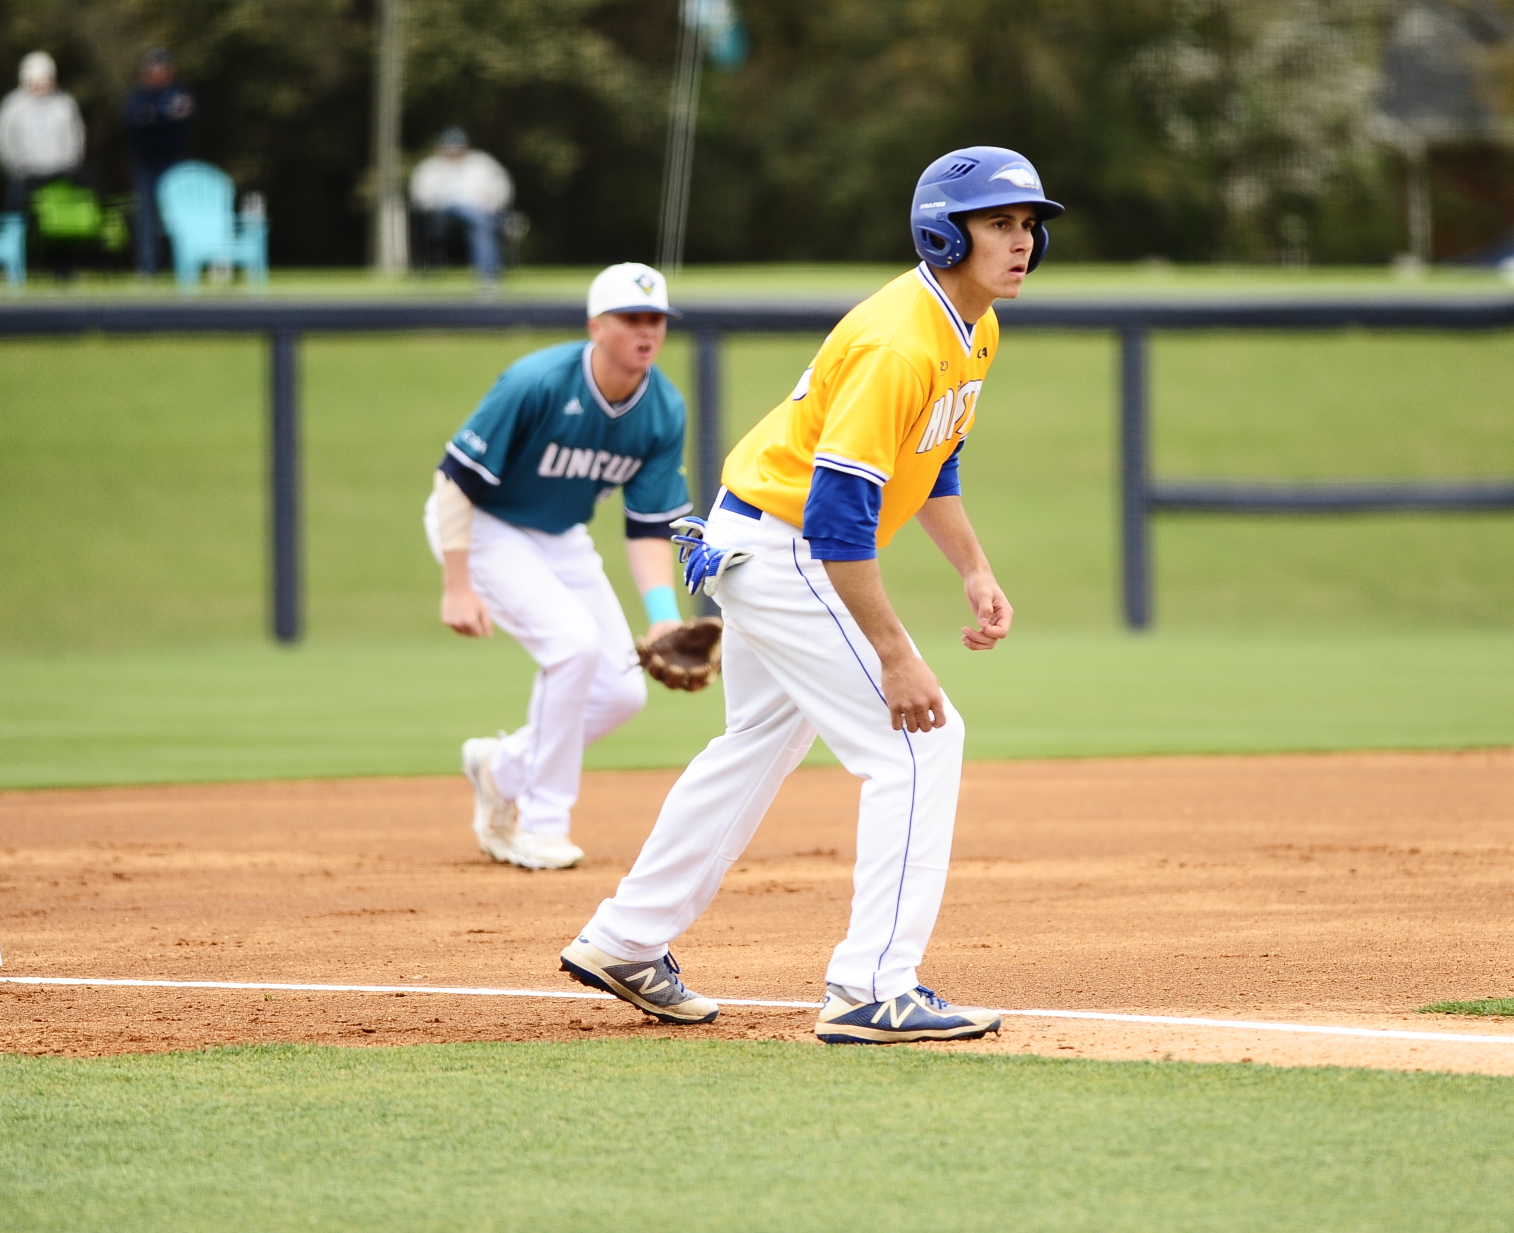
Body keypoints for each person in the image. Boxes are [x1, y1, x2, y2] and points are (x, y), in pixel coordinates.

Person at [560, 146, 1059, 1043]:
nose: (1020, 240)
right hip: (788, 547)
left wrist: (974, 568)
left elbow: (934, 459)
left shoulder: (970, 326)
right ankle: (873, 987)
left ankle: (627, 939)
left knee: (757, 742)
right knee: (920, 739)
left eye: (1027, 224)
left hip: (761, 536)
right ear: (945, 233)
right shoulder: (898, 341)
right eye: (998, 223)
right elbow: (837, 522)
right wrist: (898, 656)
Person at [425, 262, 695, 870]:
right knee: (572, 646)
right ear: (596, 326)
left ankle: (500, 768)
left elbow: (649, 524)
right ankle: (542, 823)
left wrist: (662, 620)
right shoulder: (537, 381)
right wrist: (457, 583)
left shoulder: (662, 409)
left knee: (623, 692)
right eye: (631, 318)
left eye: (656, 319)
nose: (646, 330)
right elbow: (455, 484)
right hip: (483, 526)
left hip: (559, 537)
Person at [409, 127, 513, 293]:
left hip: (481, 212)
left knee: (480, 226)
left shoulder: (482, 163)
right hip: (442, 216)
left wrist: (494, 203)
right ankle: (489, 277)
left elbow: (502, 188)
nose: (453, 153)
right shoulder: (430, 168)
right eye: (449, 149)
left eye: (457, 148)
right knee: (479, 220)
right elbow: (420, 198)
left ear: (466, 147)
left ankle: (487, 277)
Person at [124, 48, 195, 276]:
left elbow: (184, 117)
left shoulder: (180, 92)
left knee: (179, 216)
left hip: (174, 161)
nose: (158, 74)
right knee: (145, 216)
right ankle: (147, 266)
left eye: (162, 68)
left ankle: (182, 265)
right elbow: (135, 122)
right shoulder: (138, 95)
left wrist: (156, 117)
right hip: (146, 163)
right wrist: (163, 116)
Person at [0, 51, 84, 214]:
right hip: (24, 177)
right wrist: (14, 165)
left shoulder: (64, 103)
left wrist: (70, 162)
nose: (42, 86)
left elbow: (75, 135)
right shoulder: (12, 106)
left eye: (46, 80)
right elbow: (3, 139)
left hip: (59, 175)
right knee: (21, 218)